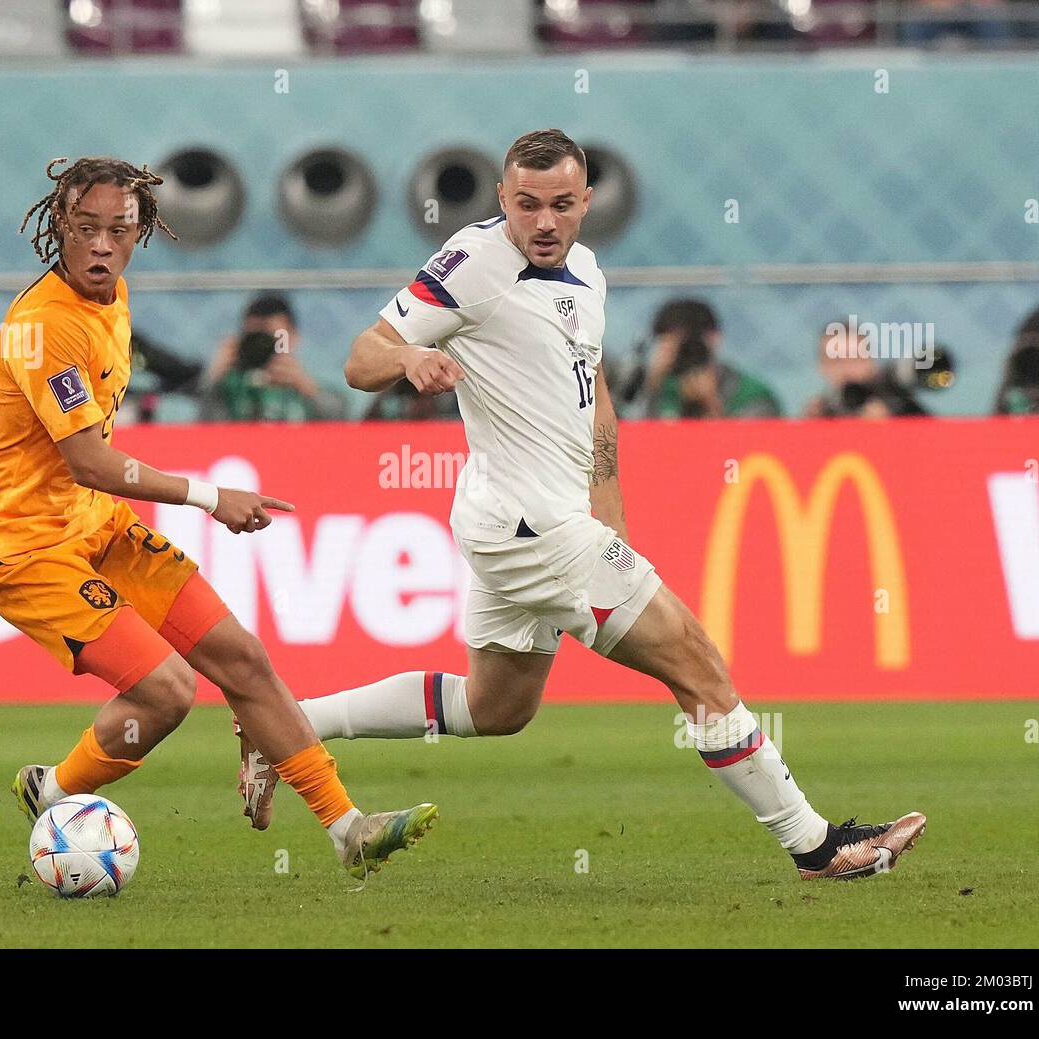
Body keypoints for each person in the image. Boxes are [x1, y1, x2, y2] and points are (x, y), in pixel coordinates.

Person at [236, 129, 925, 880]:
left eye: (561, 205)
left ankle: (285, 724)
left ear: (585, 203)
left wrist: (612, 515)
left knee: (496, 707)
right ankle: (818, 846)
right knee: (696, 662)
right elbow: (360, 355)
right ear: (503, 198)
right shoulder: (473, 264)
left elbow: (593, 395)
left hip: (536, 520)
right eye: (526, 204)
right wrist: (408, 357)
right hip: (530, 526)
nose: (543, 222)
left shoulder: (588, 272)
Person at [0, 156, 435, 880]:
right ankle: (58, 788)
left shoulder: (110, 298)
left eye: (116, 230)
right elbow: (89, 460)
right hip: (23, 543)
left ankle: (349, 828)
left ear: (140, 231)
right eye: (84, 228)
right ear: (59, 226)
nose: (99, 245)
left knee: (242, 659)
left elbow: (91, 478)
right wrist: (211, 497)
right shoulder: (45, 325)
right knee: (168, 690)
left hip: (95, 524)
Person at [618, 299, 782, 419]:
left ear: (714, 338)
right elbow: (621, 436)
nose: (686, 351)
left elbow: (754, 452)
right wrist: (651, 385)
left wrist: (712, 405)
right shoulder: (660, 389)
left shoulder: (749, 392)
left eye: (689, 342)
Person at [197, 294, 346, 421]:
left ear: (293, 337)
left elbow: (341, 424)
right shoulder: (230, 388)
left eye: (270, 336)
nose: (262, 344)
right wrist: (212, 380)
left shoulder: (310, 385)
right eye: (254, 336)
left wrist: (308, 389)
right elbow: (206, 431)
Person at [802, 318, 928, 418]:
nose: (847, 369)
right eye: (837, 361)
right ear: (822, 367)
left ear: (871, 362)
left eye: (855, 359)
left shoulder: (902, 408)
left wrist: (889, 427)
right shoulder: (820, 413)